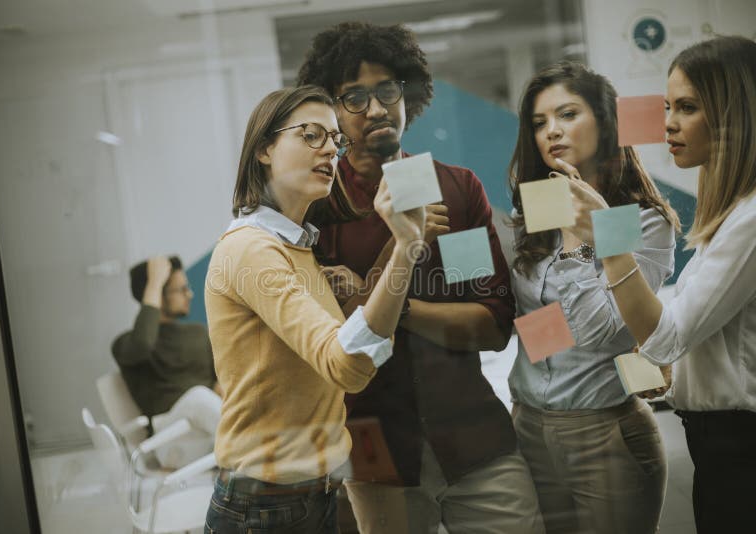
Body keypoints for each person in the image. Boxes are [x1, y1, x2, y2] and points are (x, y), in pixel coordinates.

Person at [298, 22, 544, 534]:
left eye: (387, 89)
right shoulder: (316, 209)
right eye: (354, 96)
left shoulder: (451, 192)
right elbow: (328, 345)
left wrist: (386, 309)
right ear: (332, 113)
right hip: (375, 454)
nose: (377, 108)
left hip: (474, 438)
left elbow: (490, 323)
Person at [202, 85, 425, 534]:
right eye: (311, 135)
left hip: (300, 495)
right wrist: (406, 247)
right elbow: (347, 366)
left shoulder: (294, 247)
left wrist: (328, 285)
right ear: (264, 147)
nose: (331, 151)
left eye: (334, 139)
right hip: (266, 507)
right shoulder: (251, 249)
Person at [565, 36, 756, 534]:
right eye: (668, 105)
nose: (668, 122)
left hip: (734, 449)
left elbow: (661, 333)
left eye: (688, 107)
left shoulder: (652, 219)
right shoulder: (730, 216)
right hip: (705, 441)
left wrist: (602, 237)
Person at [506, 60, 680, 534]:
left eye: (567, 115)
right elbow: (531, 316)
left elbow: (601, 331)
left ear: (604, 122)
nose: (551, 132)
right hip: (528, 428)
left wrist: (580, 234)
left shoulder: (637, 219)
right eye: (539, 123)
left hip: (605, 433)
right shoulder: (532, 210)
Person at [112, 255, 222, 467]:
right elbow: (143, 344)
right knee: (199, 397)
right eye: (181, 290)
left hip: (211, 431)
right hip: (170, 439)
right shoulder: (127, 344)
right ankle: (259, 454)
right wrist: (154, 282)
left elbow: (221, 377)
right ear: (157, 296)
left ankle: (258, 455)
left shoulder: (199, 332)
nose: (189, 294)